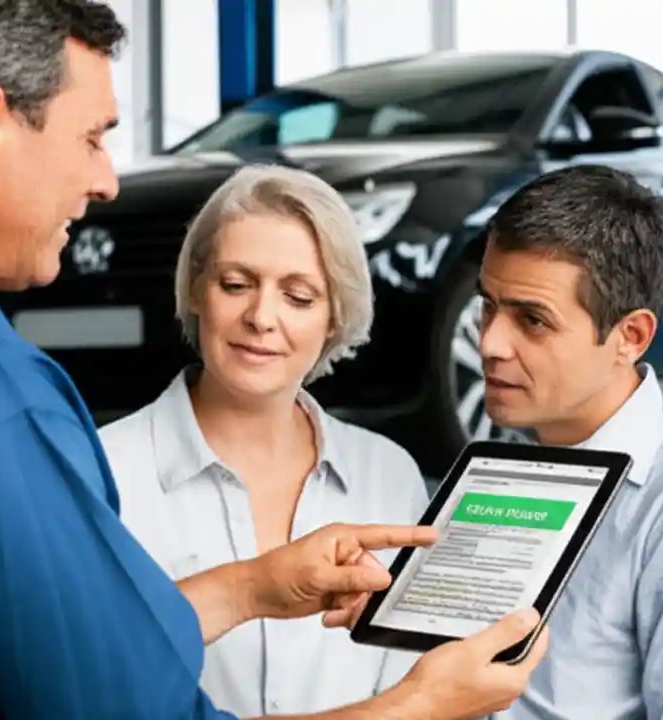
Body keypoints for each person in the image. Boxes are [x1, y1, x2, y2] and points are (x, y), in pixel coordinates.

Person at [0, 2, 548, 718]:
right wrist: (423, 704)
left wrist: (250, 587)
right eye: (93, 137)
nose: (107, 181)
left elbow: (28, 641)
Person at [98, 163, 431, 717]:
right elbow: (81, 683)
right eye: (236, 285)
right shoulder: (103, 471)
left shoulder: (388, 476)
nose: (261, 316)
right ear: (198, 289)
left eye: (298, 297)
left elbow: (412, 685)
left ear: (334, 316)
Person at [472, 165, 663, 720]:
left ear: (628, 337)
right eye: (488, 304)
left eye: (532, 320)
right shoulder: (494, 471)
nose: (490, 342)